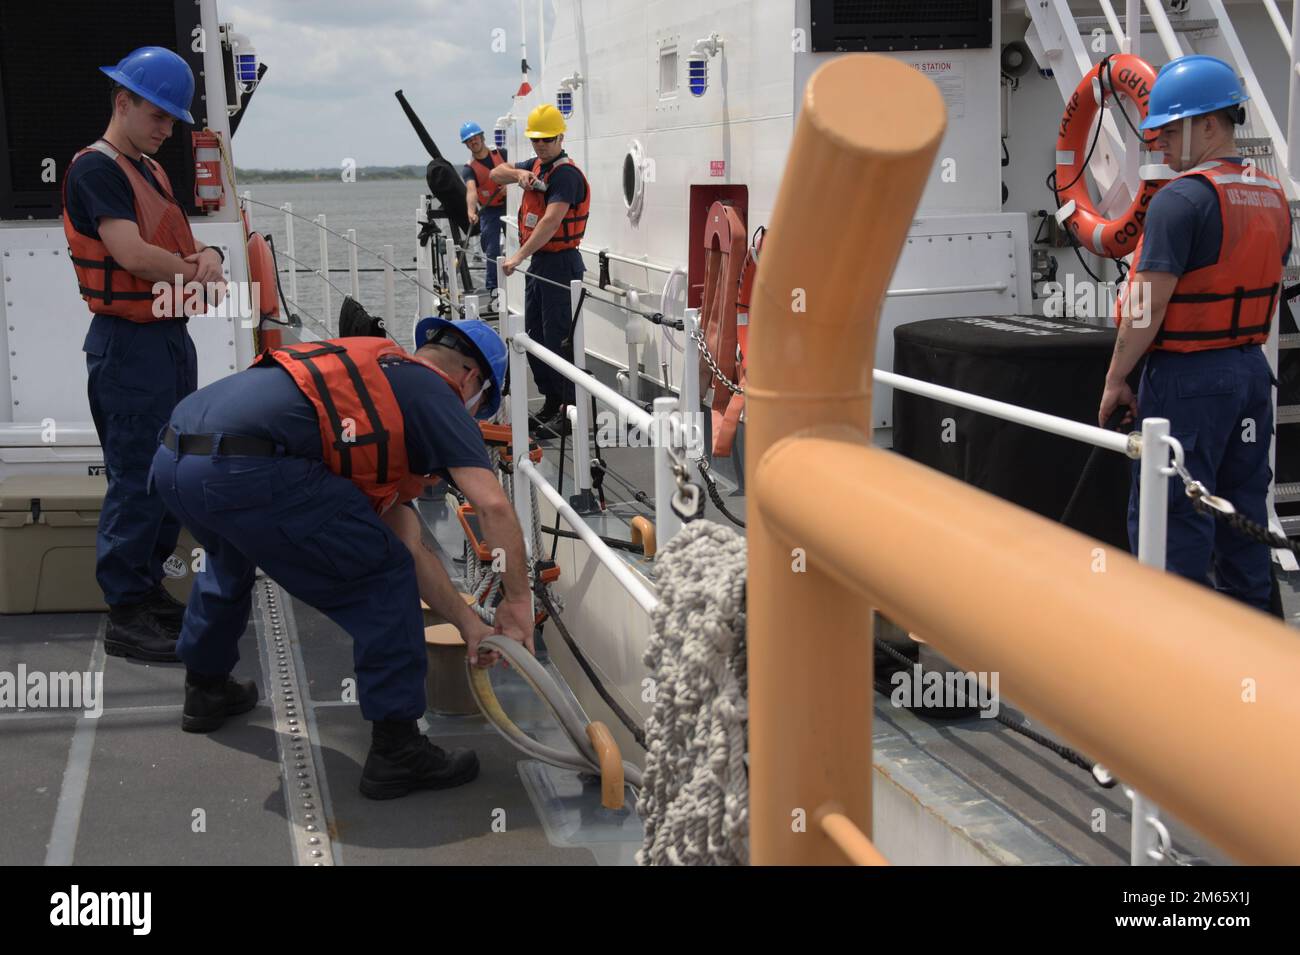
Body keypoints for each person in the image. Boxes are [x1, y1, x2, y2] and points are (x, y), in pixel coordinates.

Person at [150, 319, 536, 798]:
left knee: (230, 554)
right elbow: (493, 505)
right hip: (243, 469)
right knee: (383, 579)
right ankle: (397, 751)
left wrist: (469, 625)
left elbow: (410, 542)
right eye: (480, 404)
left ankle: (205, 689)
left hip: (173, 460)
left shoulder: (378, 381)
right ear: (470, 379)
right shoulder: (438, 395)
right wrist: (519, 601)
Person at [1099, 55, 1291, 613]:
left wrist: (1116, 378)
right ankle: (1258, 653)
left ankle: (1176, 662)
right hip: (1251, 376)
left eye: (1168, 128)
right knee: (1243, 518)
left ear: (1208, 124)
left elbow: (1145, 303)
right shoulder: (1273, 196)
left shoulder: (1181, 200)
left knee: (1173, 522)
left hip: (1188, 380)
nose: (1157, 141)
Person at [62, 46, 227, 661]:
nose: (165, 129)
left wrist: (206, 257)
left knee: (165, 471)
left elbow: (173, 241)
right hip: (128, 348)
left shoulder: (150, 171)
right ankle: (126, 614)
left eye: (171, 120)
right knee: (136, 477)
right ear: (122, 102)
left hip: (164, 341)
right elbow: (131, 255)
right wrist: (201, 271)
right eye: (157, 115)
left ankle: (148, 588)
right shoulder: (97, 171)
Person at [491, 103, 591, 436]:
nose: (541, 145)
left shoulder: (566, 175)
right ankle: (551, 401)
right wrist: (519, 174)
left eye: (547, 139)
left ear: (561, 137)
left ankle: (570, 410)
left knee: (558, 338)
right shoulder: (534, 165)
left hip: (561, 263)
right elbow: (495, 174)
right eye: (536, 140)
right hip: (541, 264)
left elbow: (550, 223)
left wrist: (517, 257)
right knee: (534, 334)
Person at [459, 121, 507, 306]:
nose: (473, 142)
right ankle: (493, 289)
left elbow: (517, 171)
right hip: (490, 210)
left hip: (511, 206)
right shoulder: (469, 168)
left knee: (521, 241)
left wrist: (509, 186)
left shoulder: (502, 154)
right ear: (466, 145)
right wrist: (471, 211)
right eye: (469, 141)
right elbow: (471, 191)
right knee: (491, 248)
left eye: (475, 138)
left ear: (482, 137)